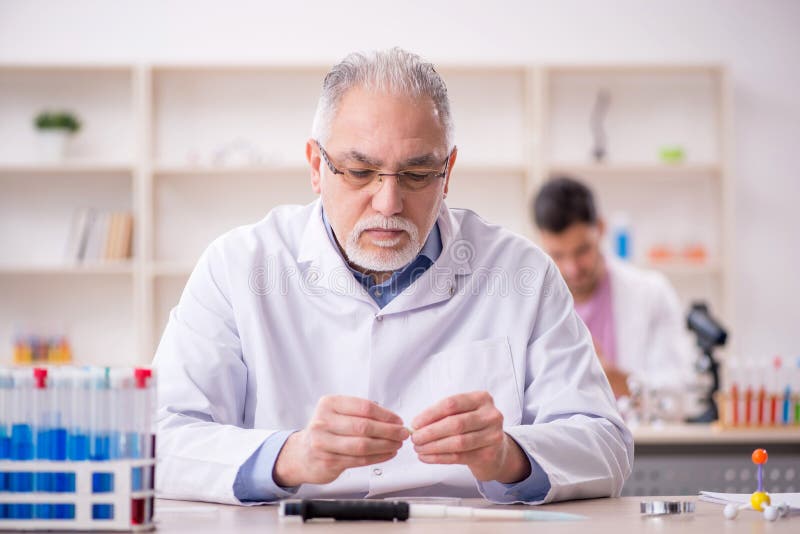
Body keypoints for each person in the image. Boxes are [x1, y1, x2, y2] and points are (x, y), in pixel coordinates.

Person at [153, 48, 632, 506]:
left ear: (448, 172)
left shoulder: (521, 273)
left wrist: (510, 456)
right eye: (360, 171)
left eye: (417, 174)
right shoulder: (238, 267)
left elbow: (605, 444)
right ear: (317, 167)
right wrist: (288, 456)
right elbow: (162, 439)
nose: (388, 204)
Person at [532, 176, 694, 398]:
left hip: (636, 432)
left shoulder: (651, 293)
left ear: (600, 227)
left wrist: (609, 376)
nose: (573, 269)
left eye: (582, 250)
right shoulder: (533, 305)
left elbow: (677, 394)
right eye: (558, 255)